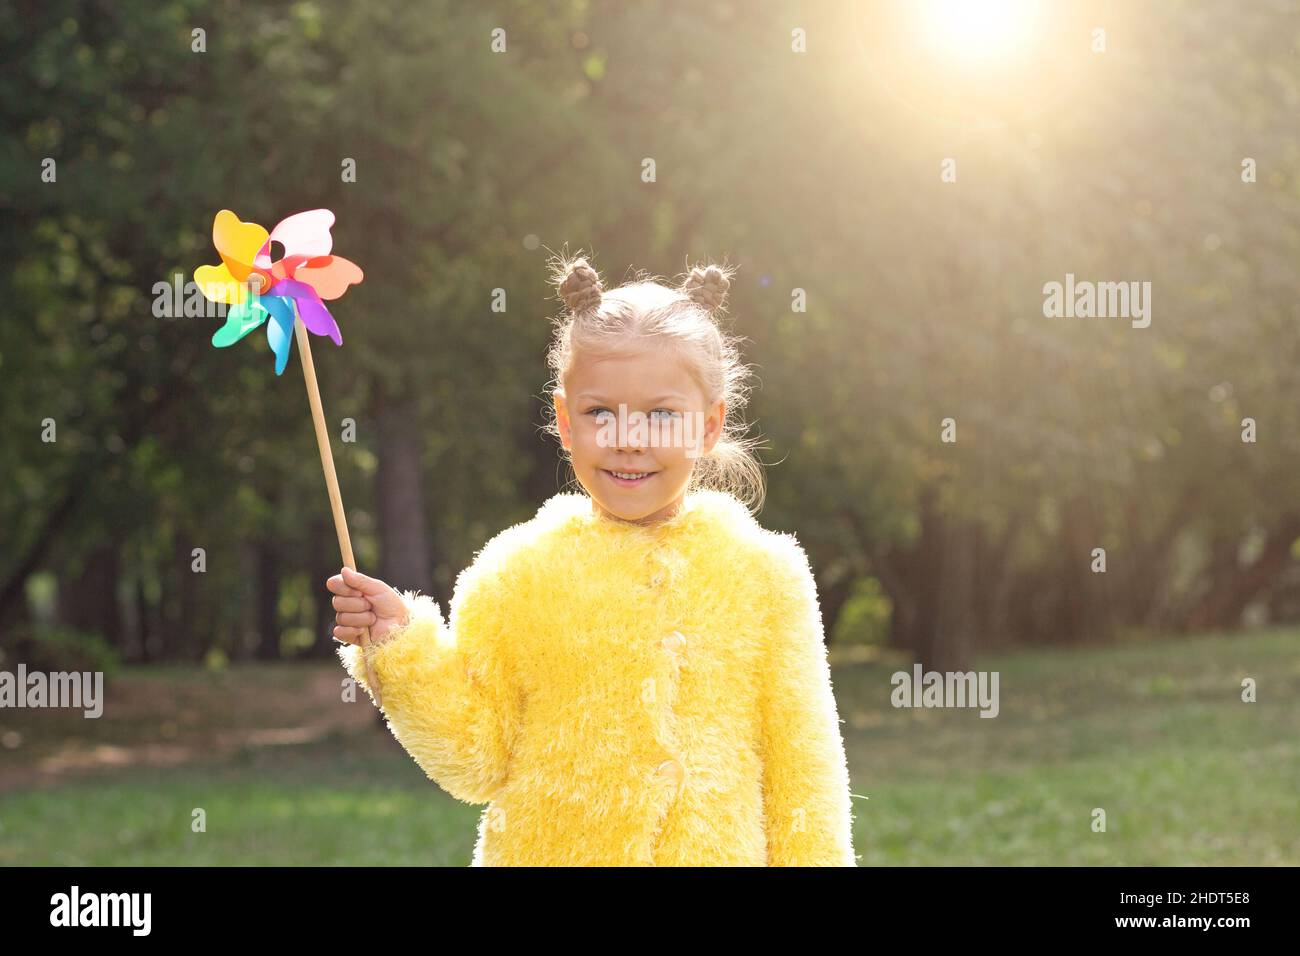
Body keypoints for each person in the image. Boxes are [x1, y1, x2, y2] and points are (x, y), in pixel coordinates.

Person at [328, 253, 857, 865]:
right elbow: (475, 758)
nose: (629, 437)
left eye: (662, 414)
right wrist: (400, 645)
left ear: (708, 427)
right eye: (599, 411)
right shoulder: (515, 572)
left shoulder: (767, 575)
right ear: (565, 420)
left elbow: (804, 775)